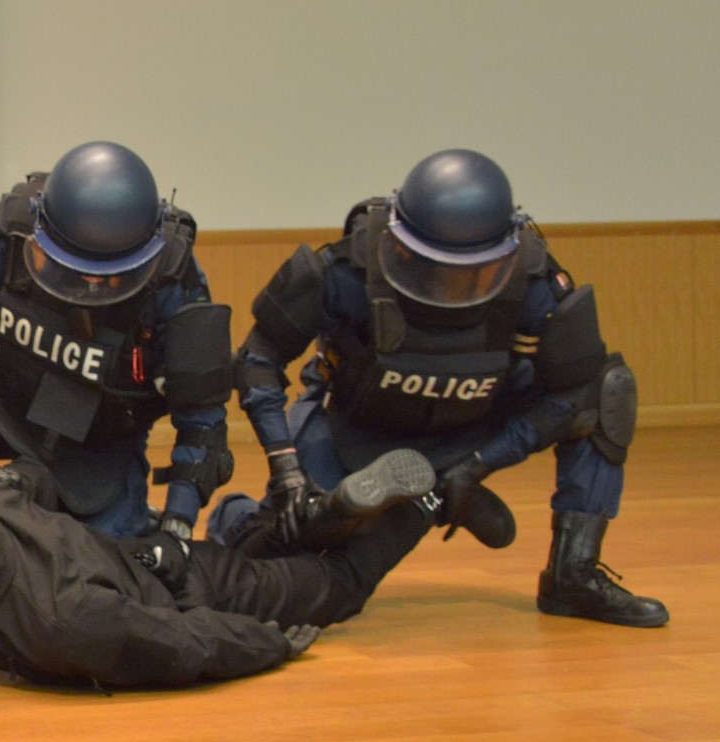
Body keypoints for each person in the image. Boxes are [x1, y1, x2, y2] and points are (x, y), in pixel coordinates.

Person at [210, 149, 667, 628]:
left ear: (509, 247)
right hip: (359, 428)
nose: (452, 284)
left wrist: (482, 462)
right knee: (291, 536)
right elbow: (258, 361)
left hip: (477, 426)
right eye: (434, 266)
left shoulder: (533, 281)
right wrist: (286, 468)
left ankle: (572, 575)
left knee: (606, 390)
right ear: (397, 240)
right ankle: (238, 518)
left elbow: (571, 395)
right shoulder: (347, 271)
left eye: (473, 271)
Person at [0, 446, 442, 689]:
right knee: (259, 569)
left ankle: (437, 497)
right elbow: (35, 477)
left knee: (336, 589)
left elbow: (181, 643)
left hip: (178, 592)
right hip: (138, 560)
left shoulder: (63, 621)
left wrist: (269, 646)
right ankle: (326, 512)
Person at [0, 141, 234, 542]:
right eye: (78, 270)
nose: (92, 284)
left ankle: (137, 520)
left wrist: (177, 528)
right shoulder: (9, 233)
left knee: (106, 574)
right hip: (5, 408)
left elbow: (202, 421)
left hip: (100, 448)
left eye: (110, 276)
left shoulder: (174, 280)